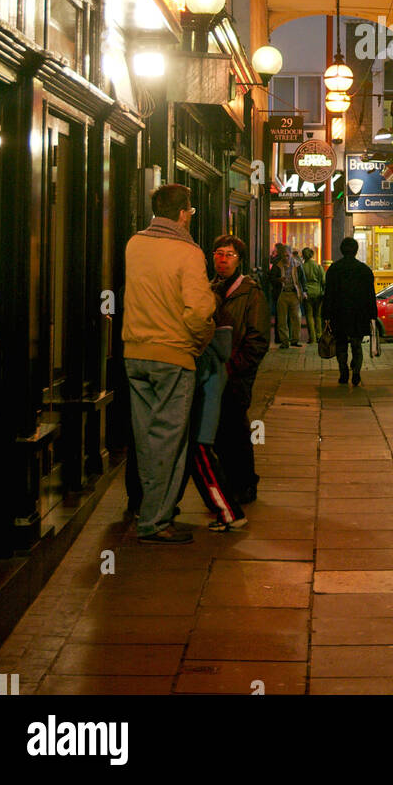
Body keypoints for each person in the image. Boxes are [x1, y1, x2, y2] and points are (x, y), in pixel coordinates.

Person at [122, 183, 216, 544]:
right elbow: (200, 310)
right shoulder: (188, 252)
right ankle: (155, 522)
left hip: (135, 352)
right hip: (173, 355)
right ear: (183, 214)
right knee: (170, 442)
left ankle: (148, 509)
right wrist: (197, 343)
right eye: (190, 212)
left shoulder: (134, 244)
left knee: (146, 439)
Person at [212, 234, 270, 504]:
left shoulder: (251, 293)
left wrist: (236, 366)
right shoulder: (209, 289)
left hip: (236, 373)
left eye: (229, 255)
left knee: (235, 426)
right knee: (218, 430)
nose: (222, 260)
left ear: (240, 260)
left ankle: (245, 483)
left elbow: (258, 337)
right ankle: (226, 483)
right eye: (218, 254)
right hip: (212, 372)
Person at [187, 318, 247, 531]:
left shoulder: (205, 354)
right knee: (203, 464)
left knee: (205, 467)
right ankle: (228, 512)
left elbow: (194, 381)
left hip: (201, 421)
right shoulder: (218, 348)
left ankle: (229, 512)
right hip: (205, 420)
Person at [321, 236, 377, 386]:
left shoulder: (334, 269)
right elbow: (370, 295)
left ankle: (343, 372)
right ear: (356, 251)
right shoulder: (364, 270)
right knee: (356, 345)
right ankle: (357, 373)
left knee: (341, 345)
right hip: (359, 315)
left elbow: (329, 294)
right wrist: (373, 315)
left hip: (339, 314)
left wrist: (325, 315)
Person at [270, 242, 307, 348]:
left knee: (296, 317)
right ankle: (284, 341)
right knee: (282, 319)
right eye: (283, 255)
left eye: (287, 255)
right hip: (282, 294)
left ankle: (295, 339)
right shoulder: (277, 265)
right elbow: (271, 278)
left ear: (291, 254)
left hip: (294, 293)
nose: (285, 258)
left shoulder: (297, 265)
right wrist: (278, 280)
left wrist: (304, 291)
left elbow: (302, 279)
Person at [301, 246, 326, 343]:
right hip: (318, 293)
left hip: (307, 293)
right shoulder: (318, 266)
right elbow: (323, 280)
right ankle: (319, 335)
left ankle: (312, 337)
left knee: (309, 316)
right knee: (318, 316)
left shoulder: (302, 267)